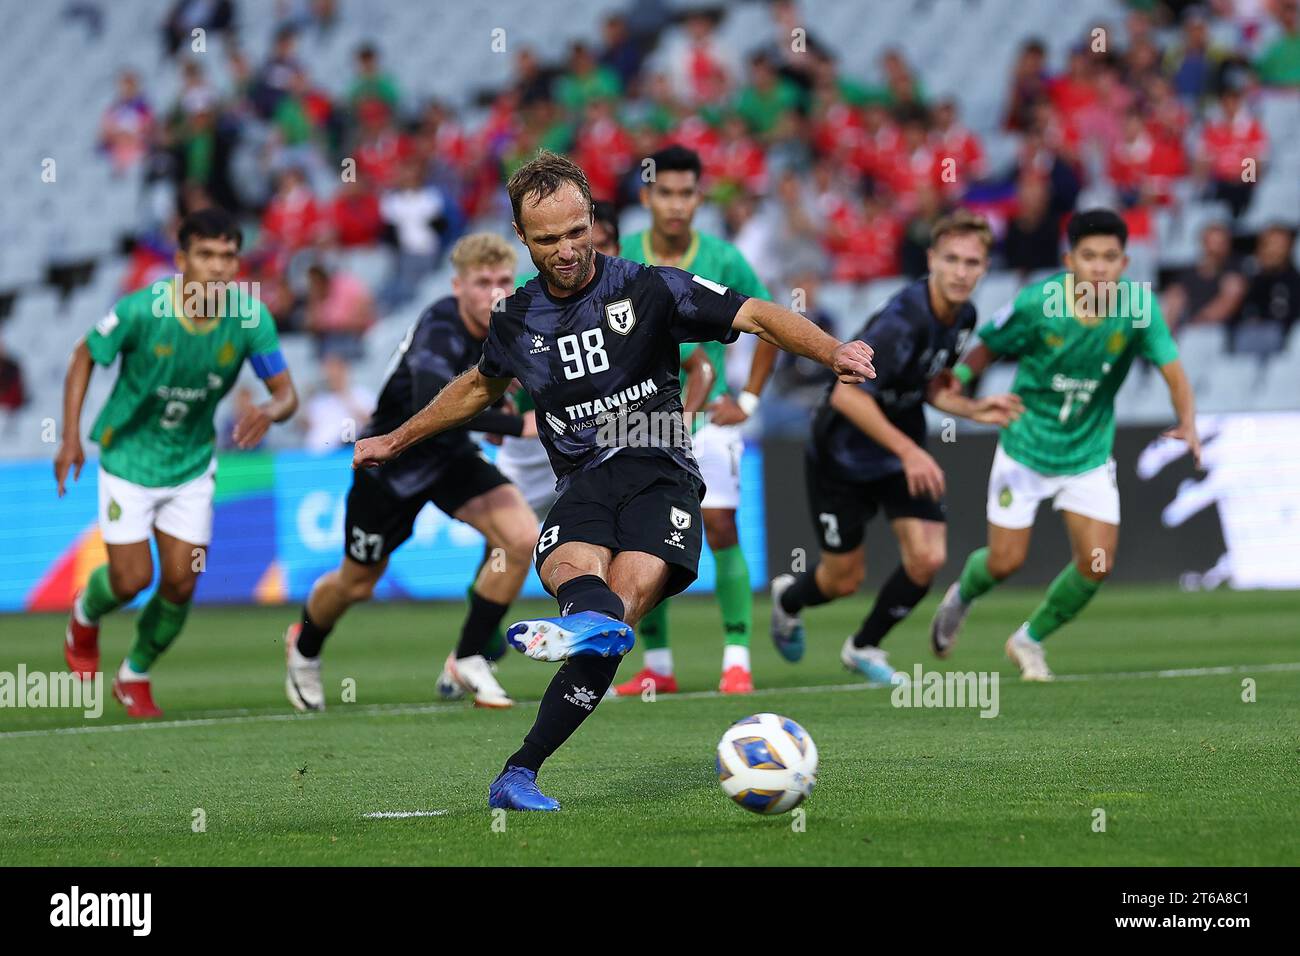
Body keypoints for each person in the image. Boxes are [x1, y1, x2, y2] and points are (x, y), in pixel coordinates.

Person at [352, 150, 875, 810]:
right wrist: (395, 439)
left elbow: (760, 316)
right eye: (548, 239)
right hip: (582, 484)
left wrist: (834, 352)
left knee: (615, 616)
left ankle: (549, 707)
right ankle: (518, 771)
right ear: (523, 238)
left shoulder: (652, 287)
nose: (567, 249)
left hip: (662, 477)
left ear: (593, 220)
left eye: (577, 232)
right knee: (581, 587)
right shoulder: (515, 319)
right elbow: (476, 390)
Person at [931, 209, 1200, 680]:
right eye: (1089, 256)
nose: (1099, 267)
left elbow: (1172, 369)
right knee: (1003, 561)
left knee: (1097, 564)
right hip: (1026, 445)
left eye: (1110, 257)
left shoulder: (1138, 308)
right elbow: (988, 344)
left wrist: (1188, 422)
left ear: (1125, 262)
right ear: (1069, 259)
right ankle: (963, 595)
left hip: (1088, 454)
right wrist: (962, 385)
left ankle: (1028, 639)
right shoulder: (1038, 302)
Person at [56, 208, 299, 717]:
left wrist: (271, 410)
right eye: (206, 255)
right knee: (129, 580)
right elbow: (83, 354)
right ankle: (84, 613)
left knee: (182, 579)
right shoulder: (143, 310)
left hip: (190, 465)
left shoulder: (251, 318)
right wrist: (70, 437)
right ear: (182, 259)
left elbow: (287, 394)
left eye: (228, 255)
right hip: (128, 459)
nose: (218, 266)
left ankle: (135, 673)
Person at [284, 233, 539, 712]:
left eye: (504, 280)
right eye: (482, 283)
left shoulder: (511, 321)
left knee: (520, 537)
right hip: (392, 462)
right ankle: (304, 647)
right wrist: (514, 422)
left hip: (450, 458)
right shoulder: (439, 330)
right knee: (356, 583)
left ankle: (467, 656)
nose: (496, 293)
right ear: (457, 286)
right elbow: (435, 404)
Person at [770, 212, 1021, 681]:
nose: (961, 271)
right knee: (843, 580)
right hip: (841, 453)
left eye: (972, 262)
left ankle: (864, 647)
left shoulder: (964, 316)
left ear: (985, 268)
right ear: (932, 260)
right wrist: (911, 451)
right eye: (952, 259)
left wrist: (975, 409)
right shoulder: (902, 320)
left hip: (898, 447)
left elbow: (926, 386)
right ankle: (788, 599)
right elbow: (846, 394)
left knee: (928, 557)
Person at [610, 145, 777, 696]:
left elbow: (773, 322)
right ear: (646, 197)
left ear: (699, 198)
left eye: (687, 194)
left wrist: (748, 399)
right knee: (639, 539)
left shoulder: (725, 259)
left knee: (723, 526)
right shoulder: (624, 254)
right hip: (638, 422)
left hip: (710, 420)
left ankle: (736, 659)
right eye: (666, 193)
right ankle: (658, 665)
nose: (677, 205)